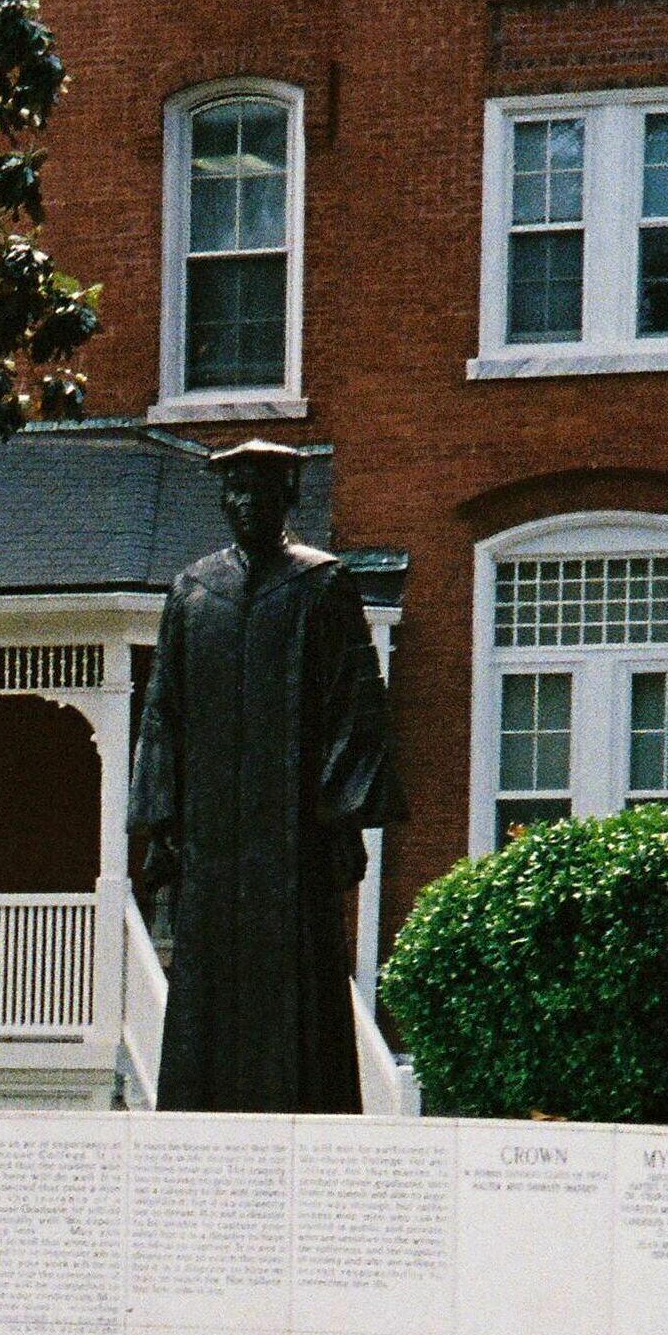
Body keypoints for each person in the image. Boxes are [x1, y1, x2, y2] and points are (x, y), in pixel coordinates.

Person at [130, 441, 401, 1114]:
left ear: (287, 498)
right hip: (212, 838)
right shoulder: (193, 591)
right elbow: (163, 710)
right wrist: (162, 822)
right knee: (208, 983)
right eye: (236, 493)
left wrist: (339, 816)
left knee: (298, 988)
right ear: (223, 501)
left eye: (261, 492)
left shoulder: (321, 583)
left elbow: (356, 706)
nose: (247, 505)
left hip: (293, 837)